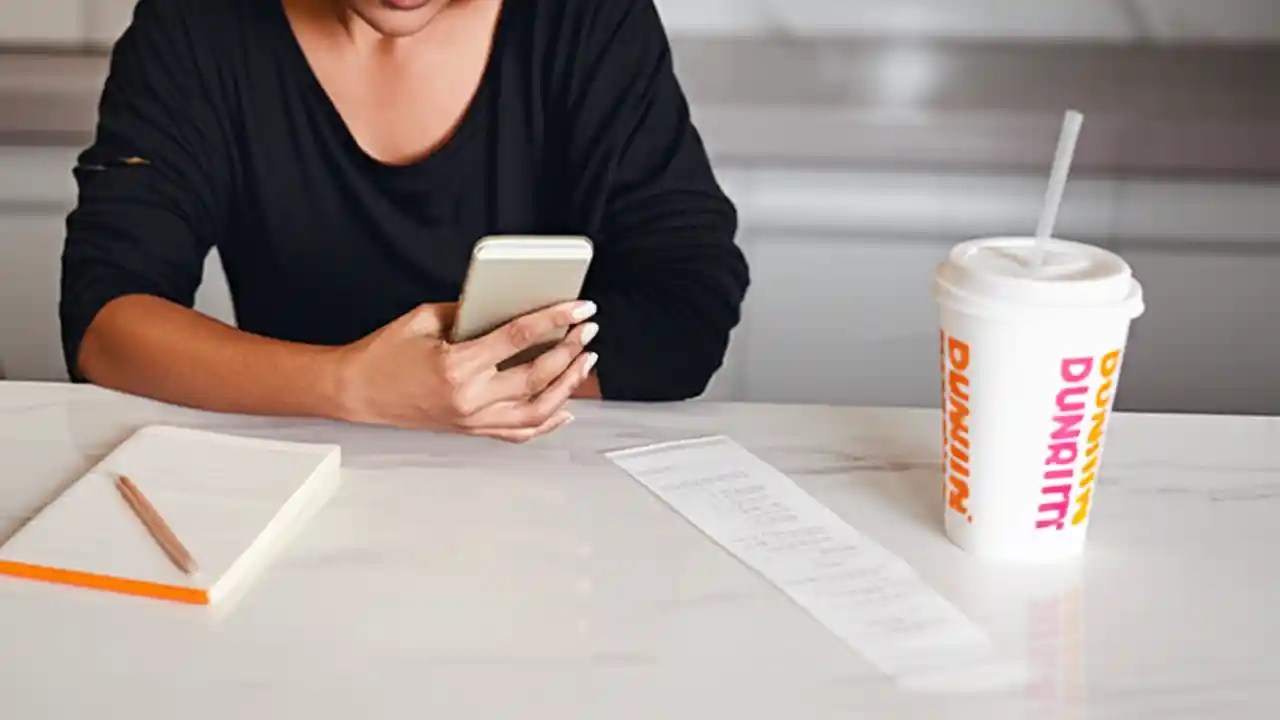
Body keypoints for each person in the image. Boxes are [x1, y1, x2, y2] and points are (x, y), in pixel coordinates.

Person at [61, 0, 748, 443]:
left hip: (549, 489)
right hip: (294, 486)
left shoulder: (585, 19)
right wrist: (352, 385)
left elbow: (686, 306)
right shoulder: (196, 25)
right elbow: (107, 324)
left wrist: (475, 387)